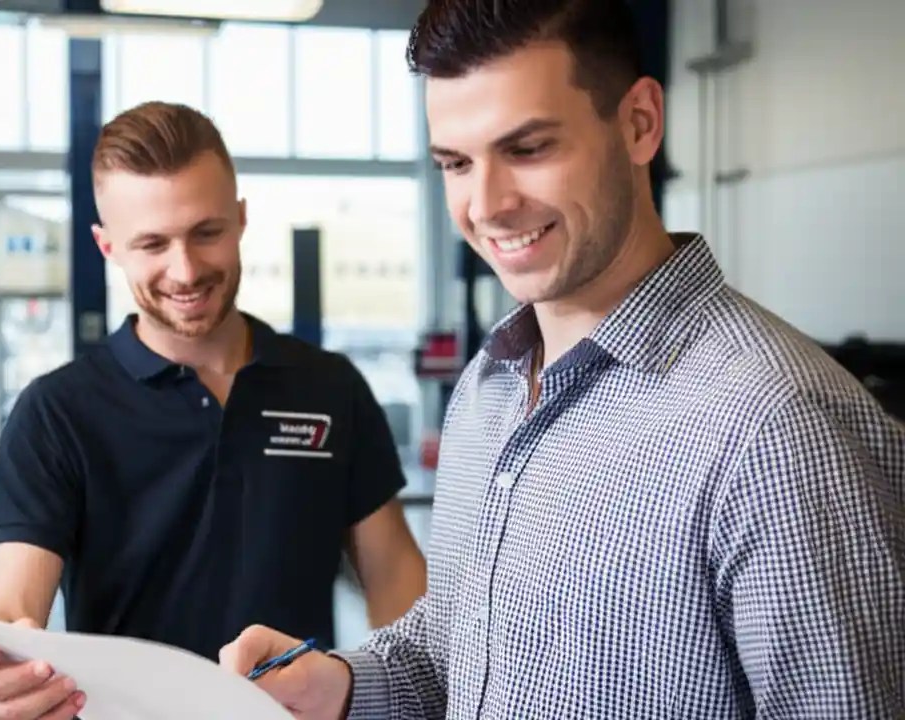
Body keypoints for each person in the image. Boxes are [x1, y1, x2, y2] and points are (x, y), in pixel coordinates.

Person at [219, 0, 905, 718]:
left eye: (528, 149)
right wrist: (338, 687)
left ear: (639, 123)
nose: (486, 205)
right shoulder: (490, 387)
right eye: (455, 162)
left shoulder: (780, 429)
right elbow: (457, 648)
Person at [0, 101, 428, 720]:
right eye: (152, 243)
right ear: (108, 246)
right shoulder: (56, 413)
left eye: (206, 232)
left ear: (239, 219)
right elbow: (14, 601)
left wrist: (405, 696)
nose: (186, 270)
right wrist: (4, 664)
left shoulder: (328, 388)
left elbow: (397, 582)